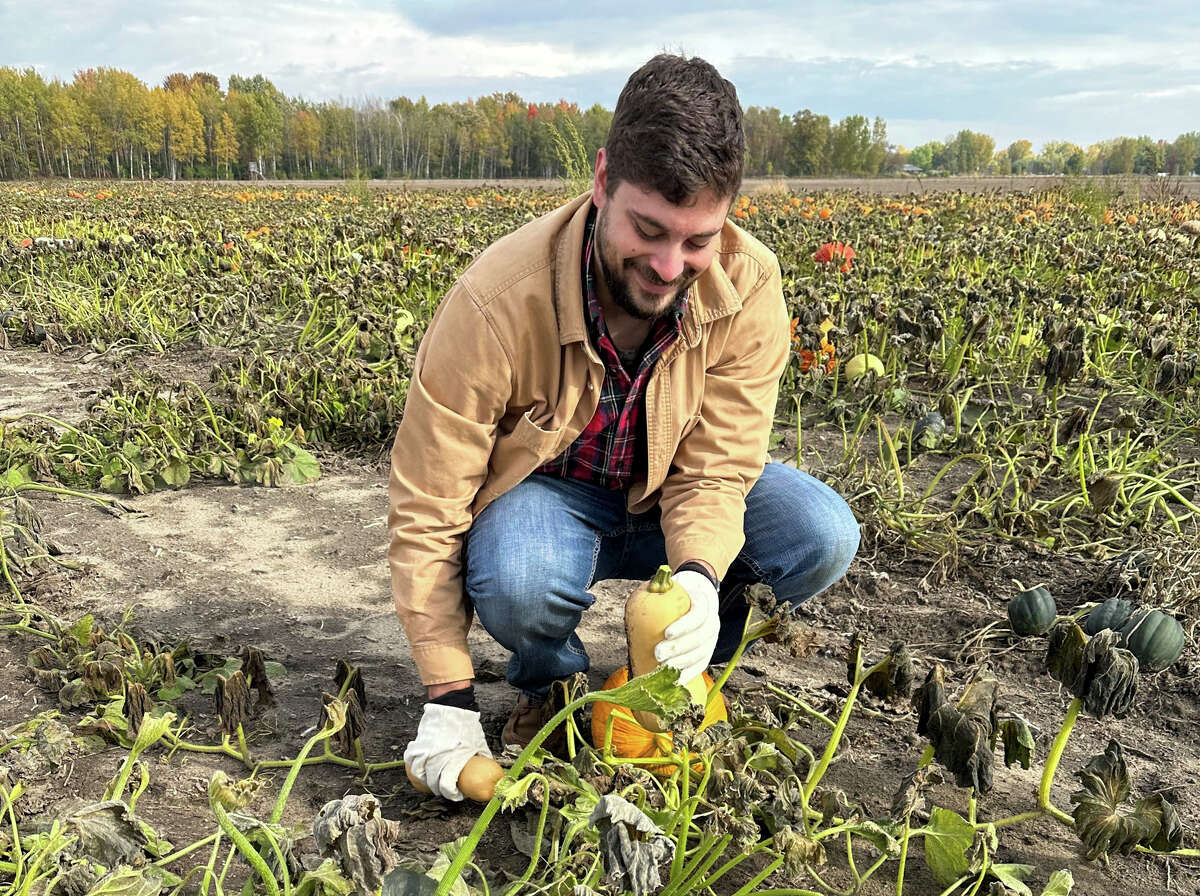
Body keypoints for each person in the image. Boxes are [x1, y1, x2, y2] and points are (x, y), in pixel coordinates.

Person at [393, 54, 860, 801]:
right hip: (554, 499)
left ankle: (683, 675)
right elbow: (427, 505)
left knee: (821, 532)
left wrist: (702, 580)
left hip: (673, 489)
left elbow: (716, 469)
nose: (670, 265)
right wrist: (447, 695)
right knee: (519, 579)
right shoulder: (495, 301)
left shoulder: (749, 287)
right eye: (648, 229)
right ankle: (552, 685)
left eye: (698, 240)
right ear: (604, 178)